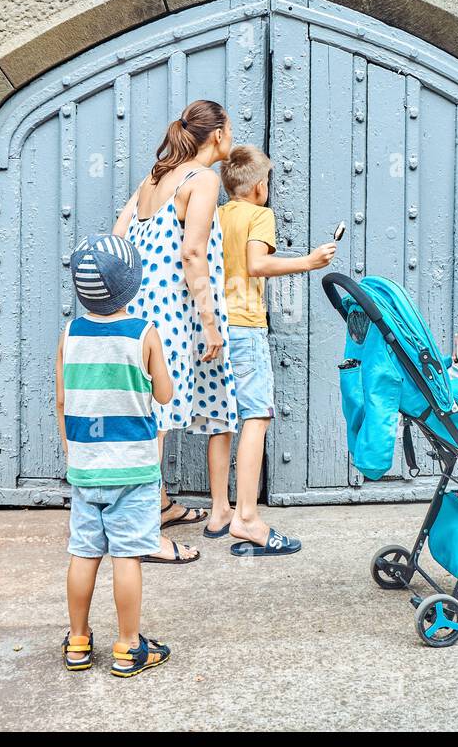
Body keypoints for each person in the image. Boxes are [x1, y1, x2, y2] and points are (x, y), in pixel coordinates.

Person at [112, 99, 238, 565]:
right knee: (159, 422)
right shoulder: (201, 180)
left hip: (145, 307)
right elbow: (192, 254)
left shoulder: (156, 177)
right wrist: (209, 323)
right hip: (175, 313)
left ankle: (161, 506)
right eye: (231, 130)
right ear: (218, 135)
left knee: (151, 411)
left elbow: (119, 233)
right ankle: (143, 534)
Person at [206, 144, 335, 556]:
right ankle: (246, 517)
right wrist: (310, 262)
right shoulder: (259, 215)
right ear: (260, 187)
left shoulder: (216, 213)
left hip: (214, 329)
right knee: (255, 416)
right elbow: (258, 265)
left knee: (220, 419)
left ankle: (219, 512)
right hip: (245, 326)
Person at [57, 234, 175, 677]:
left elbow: (62, 399)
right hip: (135, 468)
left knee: (84, 553)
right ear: (133, 285)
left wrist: (74, 451)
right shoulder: (144, 332)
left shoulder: (69, 333)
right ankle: (127, 646)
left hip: (86, 468)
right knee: (127, 555)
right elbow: (163, 394)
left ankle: (78, 641)